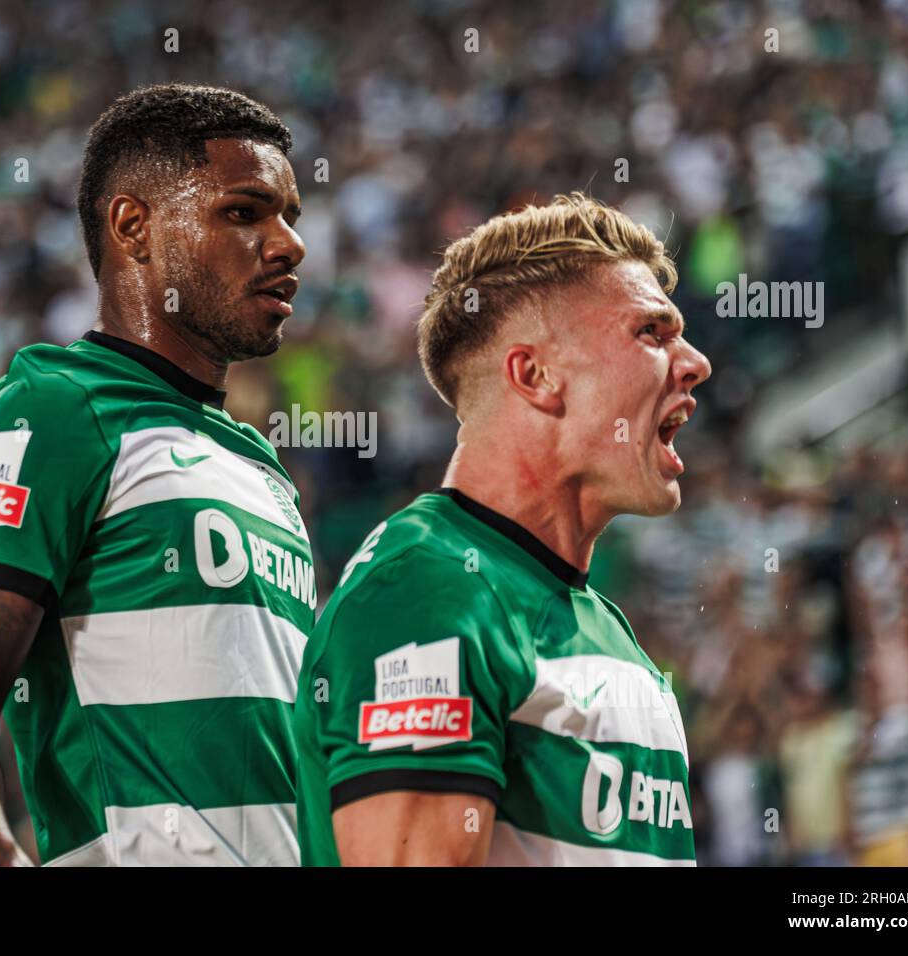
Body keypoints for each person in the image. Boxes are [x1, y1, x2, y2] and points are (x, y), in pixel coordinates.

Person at [0, 83, 311, 866]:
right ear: (133, 227)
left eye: (291, 215)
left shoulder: (260, 466)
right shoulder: (51, 409)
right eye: (245, 212)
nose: (289, 243)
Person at [294, 193, 711, 865]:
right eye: (652, 333)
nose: (695, 362)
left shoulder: (605, 627)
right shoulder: (426, 594)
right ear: (537, 375)